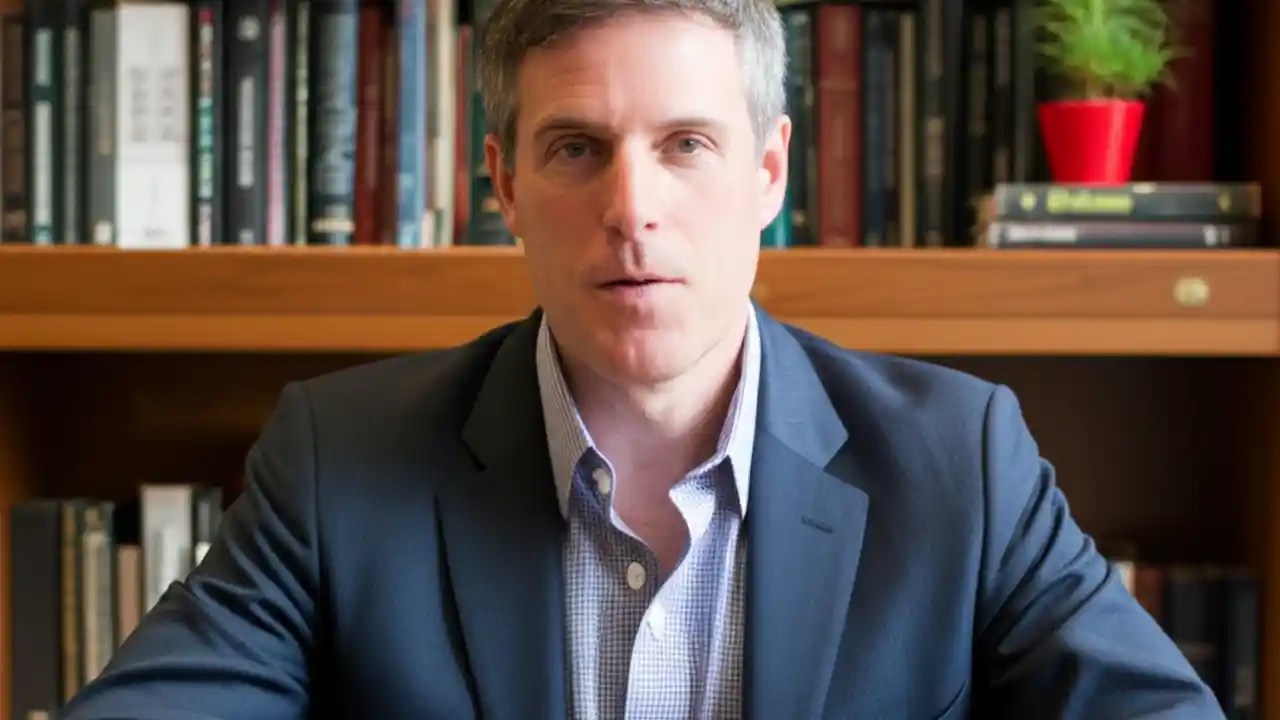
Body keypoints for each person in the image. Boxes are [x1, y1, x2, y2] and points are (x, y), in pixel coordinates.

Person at [61, 0, 1223, 718]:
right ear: (504, 183)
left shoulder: (958, 462)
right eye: (576, 147)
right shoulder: (336, 462)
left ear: (768, 172)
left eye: (685, 145)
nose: (631, 209)